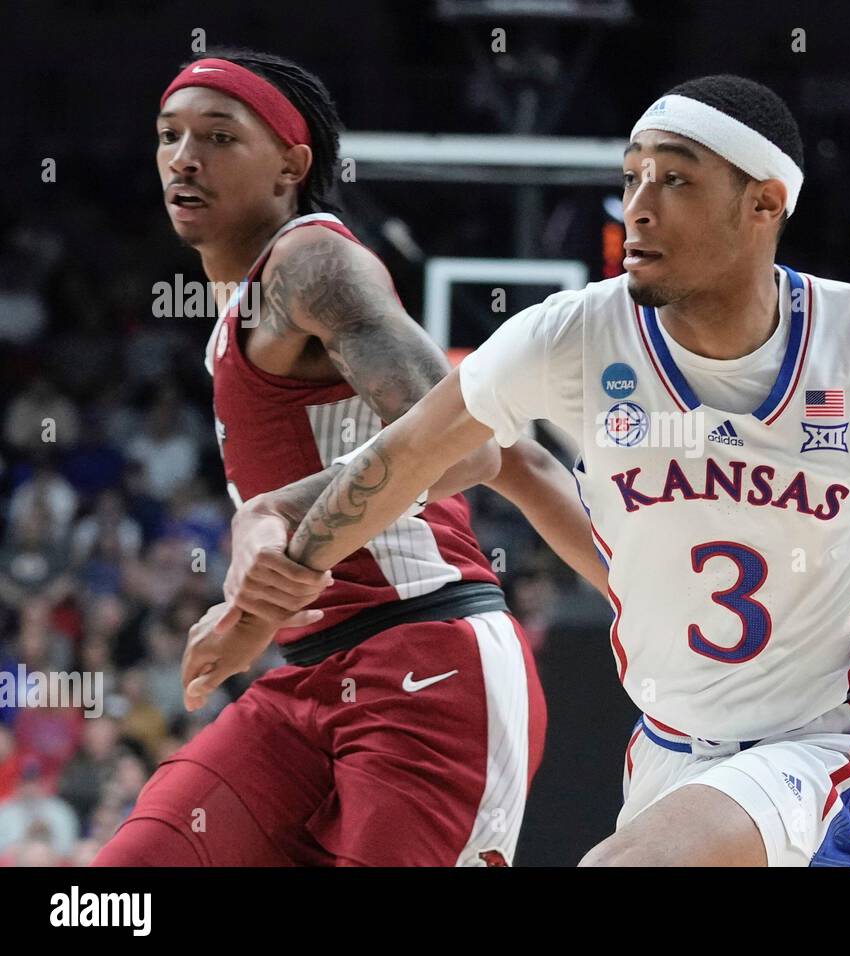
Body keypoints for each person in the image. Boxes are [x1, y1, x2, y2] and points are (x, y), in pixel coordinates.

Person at [203, 74, 850, 866]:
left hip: (834, 744)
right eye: (632, 174)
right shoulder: (568, 337)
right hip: (669, 748)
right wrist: (279, 573)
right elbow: (406, 458)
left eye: (676, 176)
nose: (638, 203)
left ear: (763, 202)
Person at [94, 49, 604, 867]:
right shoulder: (248, 307)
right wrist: (652, 613)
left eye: (219, 137)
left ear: (291, 166)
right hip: (308, 680)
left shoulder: (313, 266)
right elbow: (528, 464)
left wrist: (272, 518)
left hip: (430, 669)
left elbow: (462, 448)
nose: (184, 157)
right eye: (169, 135)